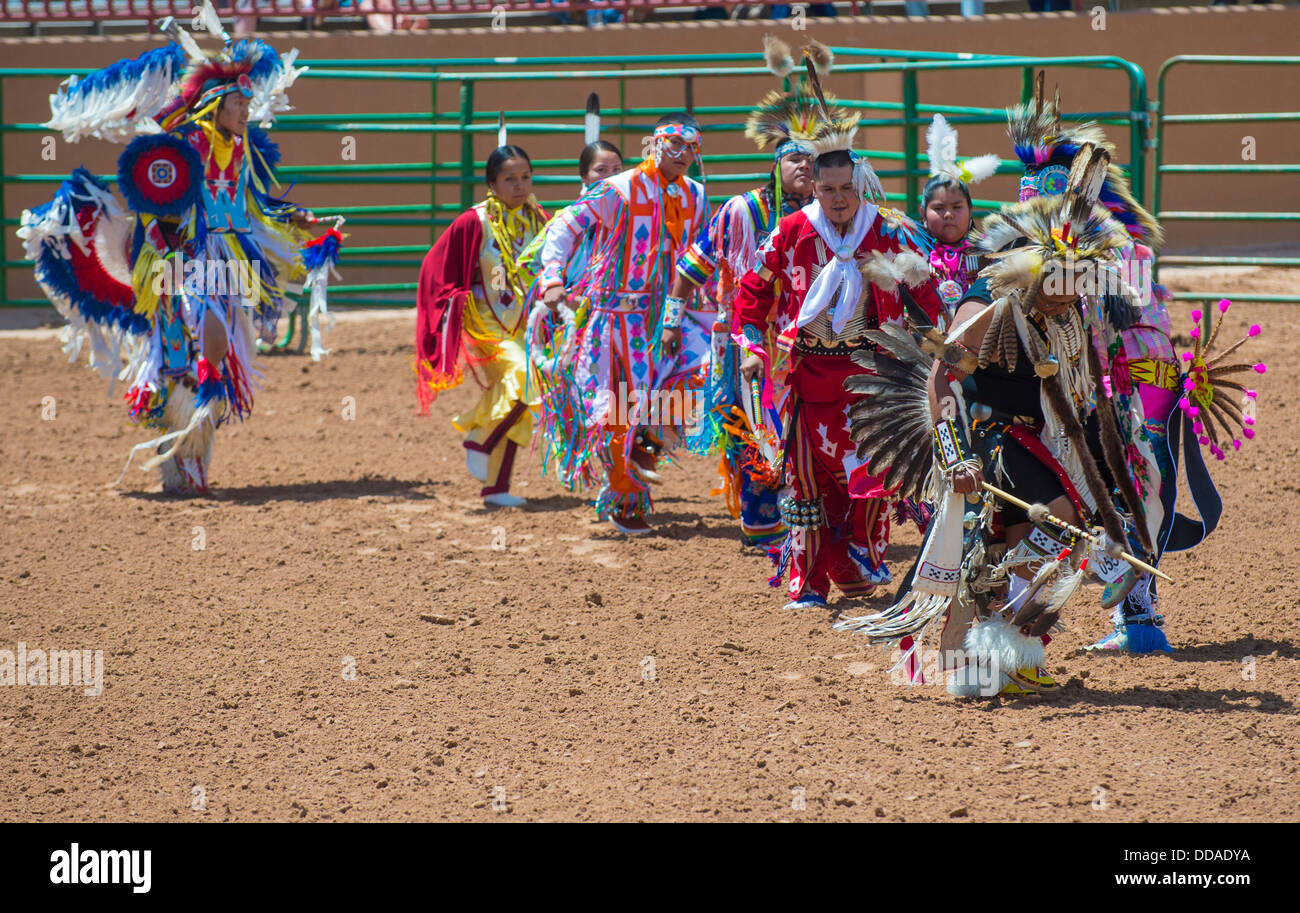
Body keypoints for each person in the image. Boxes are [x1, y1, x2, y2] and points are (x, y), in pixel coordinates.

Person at [836, 142, 1266, 696]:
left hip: (1048, 433)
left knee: (1034, 543)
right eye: (1060, 290)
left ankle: (1008, 658)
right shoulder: (990, 298)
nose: (1069, 301)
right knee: (1046, 526)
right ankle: (984, 653)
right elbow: (944, 377)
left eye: (1078, 288)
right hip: (988, 430)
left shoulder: (1081, 305)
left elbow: (1093, 384)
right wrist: (955, 455)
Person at [20, 16, 335, 495]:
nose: (246, 111)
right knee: (184, 356)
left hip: (230, 260)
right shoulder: (186, 146)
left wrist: (300, 219)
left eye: (248, 102)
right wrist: (169, 238)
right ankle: (180, 462)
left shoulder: (242, 149)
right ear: (213, 106)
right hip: (181, 262)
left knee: (212, 358)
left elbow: (254, 204)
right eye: (237, 103)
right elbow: (156, 200)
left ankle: (191, 464)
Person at [732, 79, 945, 611]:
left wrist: (941, 341)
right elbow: (752, 292)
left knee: (870, 477)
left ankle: (857, 560)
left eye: (847, 188)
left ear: (861, 182)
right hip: (807, 375)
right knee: (806, 483)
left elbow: (926, 292)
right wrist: (751, 347)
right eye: (828, 191)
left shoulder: (888, 231)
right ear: (815, 189)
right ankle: (808, 582)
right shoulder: (790, 232)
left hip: (874, 378)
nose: (838, 199)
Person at [667, 38, 830, 548]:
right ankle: (762, 517)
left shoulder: (833, 214)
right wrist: (673, 317)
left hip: (810, 339)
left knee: (808, 423)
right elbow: (692, 264)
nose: (804, 166)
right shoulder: (742, 211)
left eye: (813, 160)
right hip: (746, 339)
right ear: (776, 165)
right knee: (747, 421)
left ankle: (803, 514)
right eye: (794, 159)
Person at [535, 113, 712, 535]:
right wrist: (553, 279)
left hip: (671, 317)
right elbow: (562, 226)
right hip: (614, 318)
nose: (684, 154)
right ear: (653, 144)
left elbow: (705, 251)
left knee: (702, 371)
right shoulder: (616, 189)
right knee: (617, 410)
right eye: (675, 144)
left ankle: (646, 449)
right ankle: (625, 502)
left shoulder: (697, 196)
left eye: (693, 147)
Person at [414, 144, 549, 508]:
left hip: (523, 322)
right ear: (492, 184)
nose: (520, 186)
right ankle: (479, 440)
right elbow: (434, 265)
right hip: (485, 324)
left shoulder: (538, 219)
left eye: (525, 177)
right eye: (510, 179)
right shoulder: (474, 221)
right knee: (522, 379)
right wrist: (451, 304)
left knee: (522, 396)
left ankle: (495, 487)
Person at [918, 113, 1001, 319]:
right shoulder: (913, 253)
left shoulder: (989, 255)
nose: (948, 214)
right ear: (923, 214)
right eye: (938, 208)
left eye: (957, 207)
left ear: (970, 211)